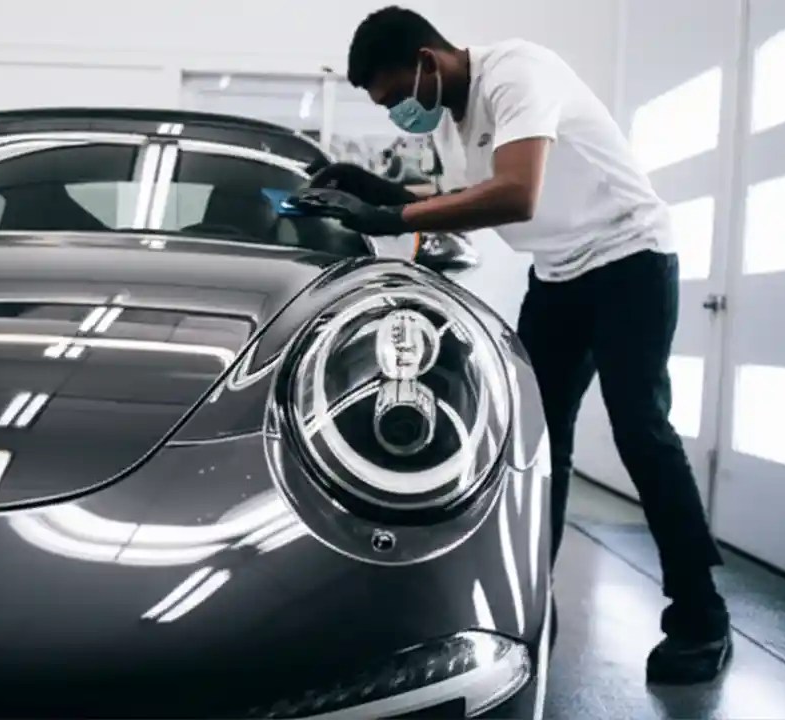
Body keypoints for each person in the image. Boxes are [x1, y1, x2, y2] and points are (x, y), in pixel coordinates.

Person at [294, 6, 733, 684]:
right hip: (559, 274)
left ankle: (701, 616)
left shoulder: (517, 72)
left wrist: (390, 213)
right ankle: (532, 597)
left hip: (630, 258)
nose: (397, 115)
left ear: (428, 63)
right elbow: (465, 196)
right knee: (540, 439)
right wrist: (369, 187)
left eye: (395, 99)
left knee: (640, 428)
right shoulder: (453, 115)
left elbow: (516, 195)